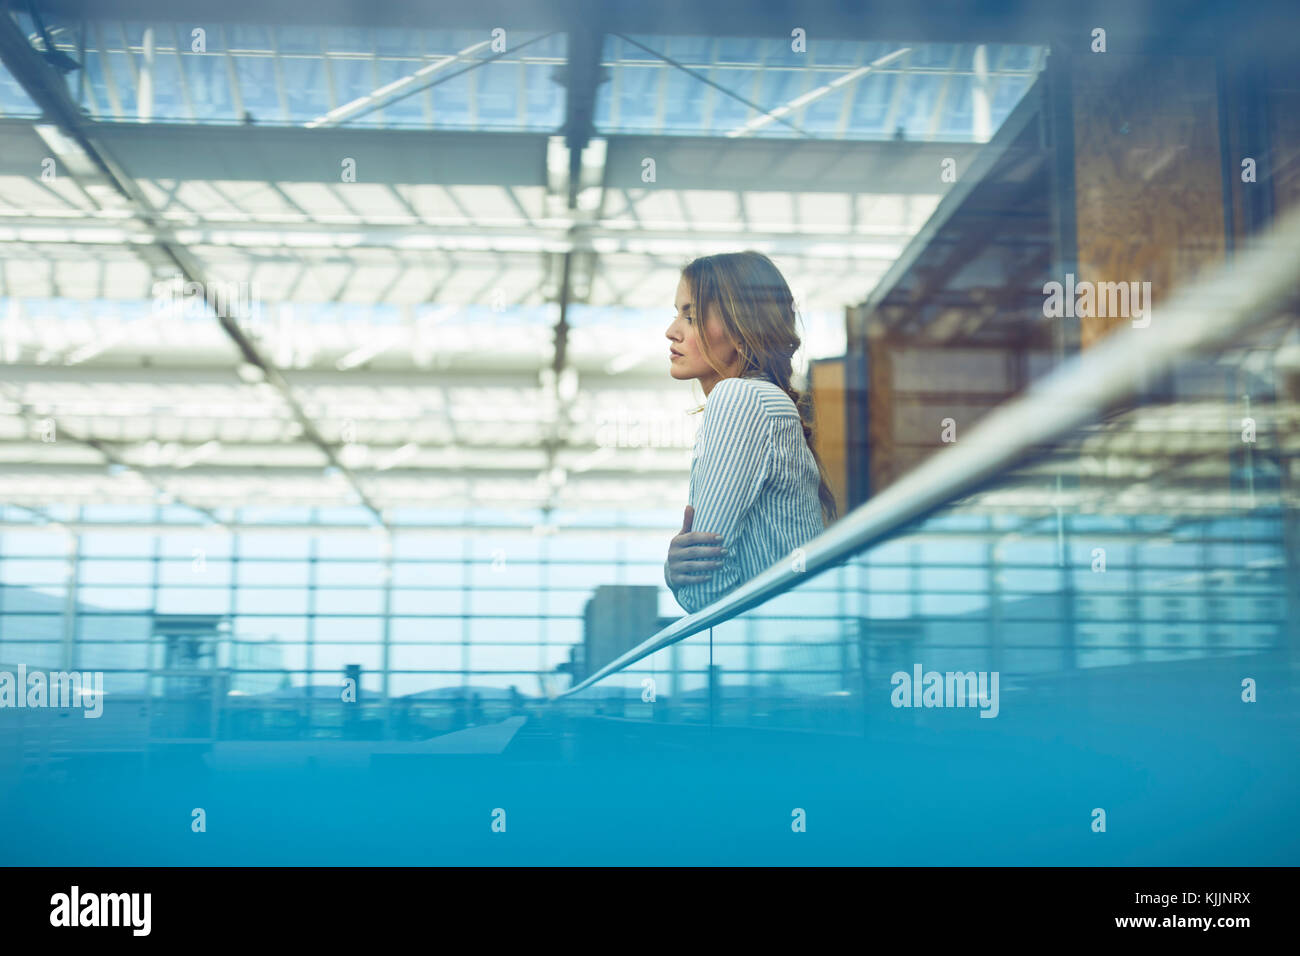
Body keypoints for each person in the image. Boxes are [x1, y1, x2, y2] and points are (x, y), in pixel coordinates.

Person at [663, 251, 837, 614]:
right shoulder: (764, 401)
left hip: (774, 655)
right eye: (678, 313)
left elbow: (704, 593)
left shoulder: (741, 397)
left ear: (742, 331)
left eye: (691, 317)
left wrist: (680, 581)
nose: (671, 330)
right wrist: (675, 569)